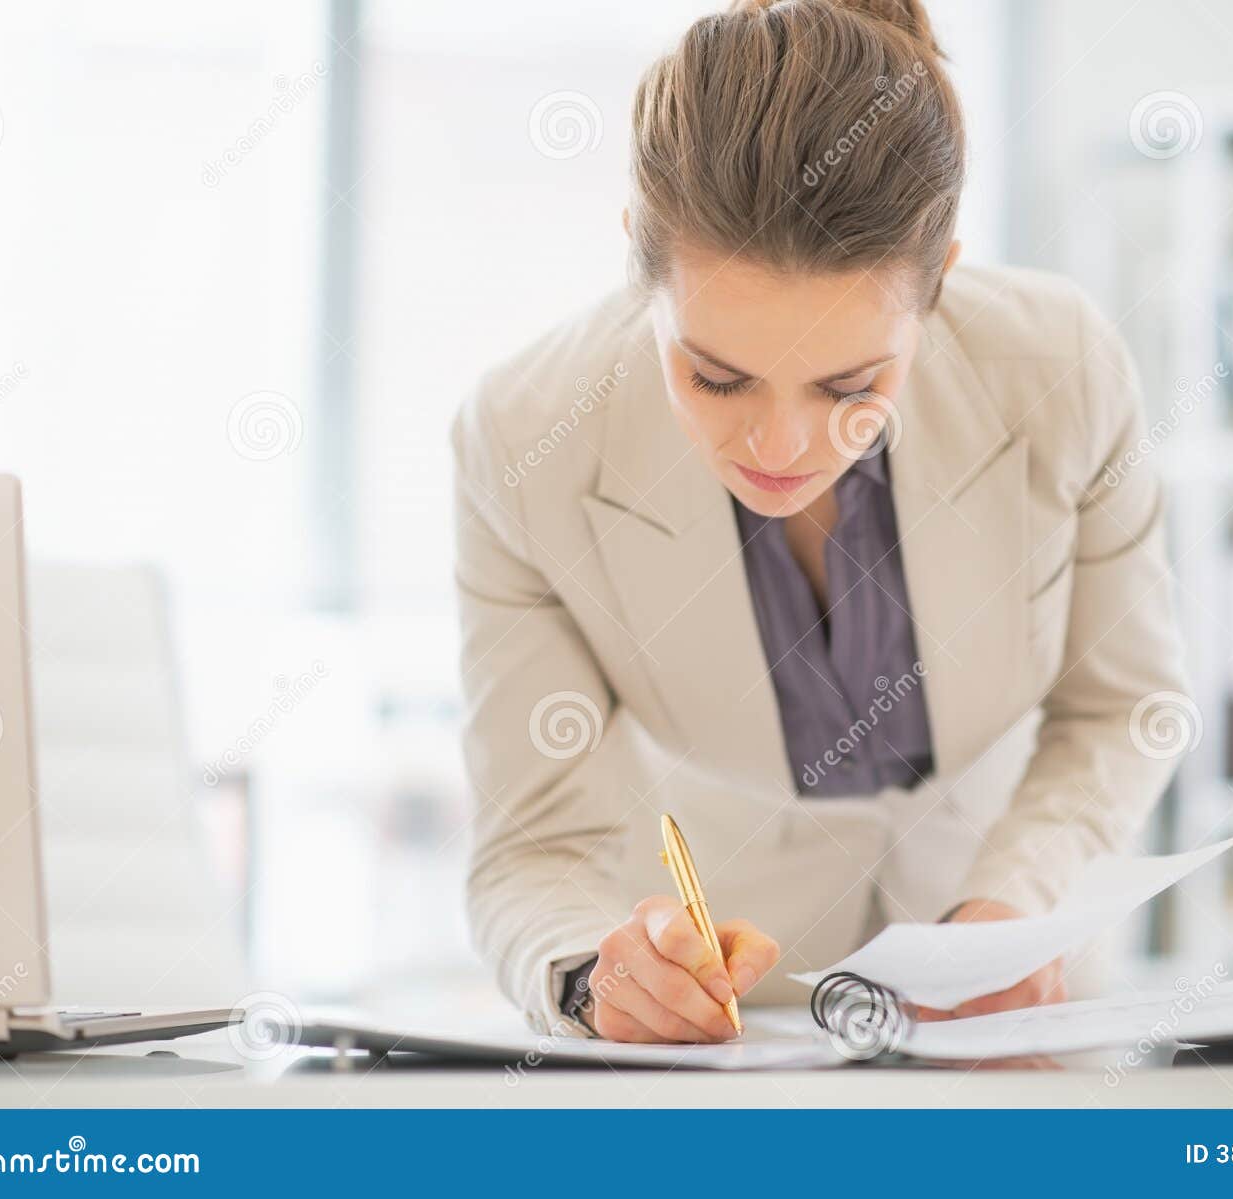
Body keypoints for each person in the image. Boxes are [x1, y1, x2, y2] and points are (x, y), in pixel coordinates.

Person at [452, 0, 1187, 1042]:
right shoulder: (524, 435)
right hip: (729, 1016)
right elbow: (529, 843)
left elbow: (1124, 705)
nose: (781, 446)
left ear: (935, 286)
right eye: (715, 376)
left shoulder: (1059, 367)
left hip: (1012, 986)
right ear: (639, 264)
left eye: (851, 380)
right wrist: (587, 974)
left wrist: (1017, 903)